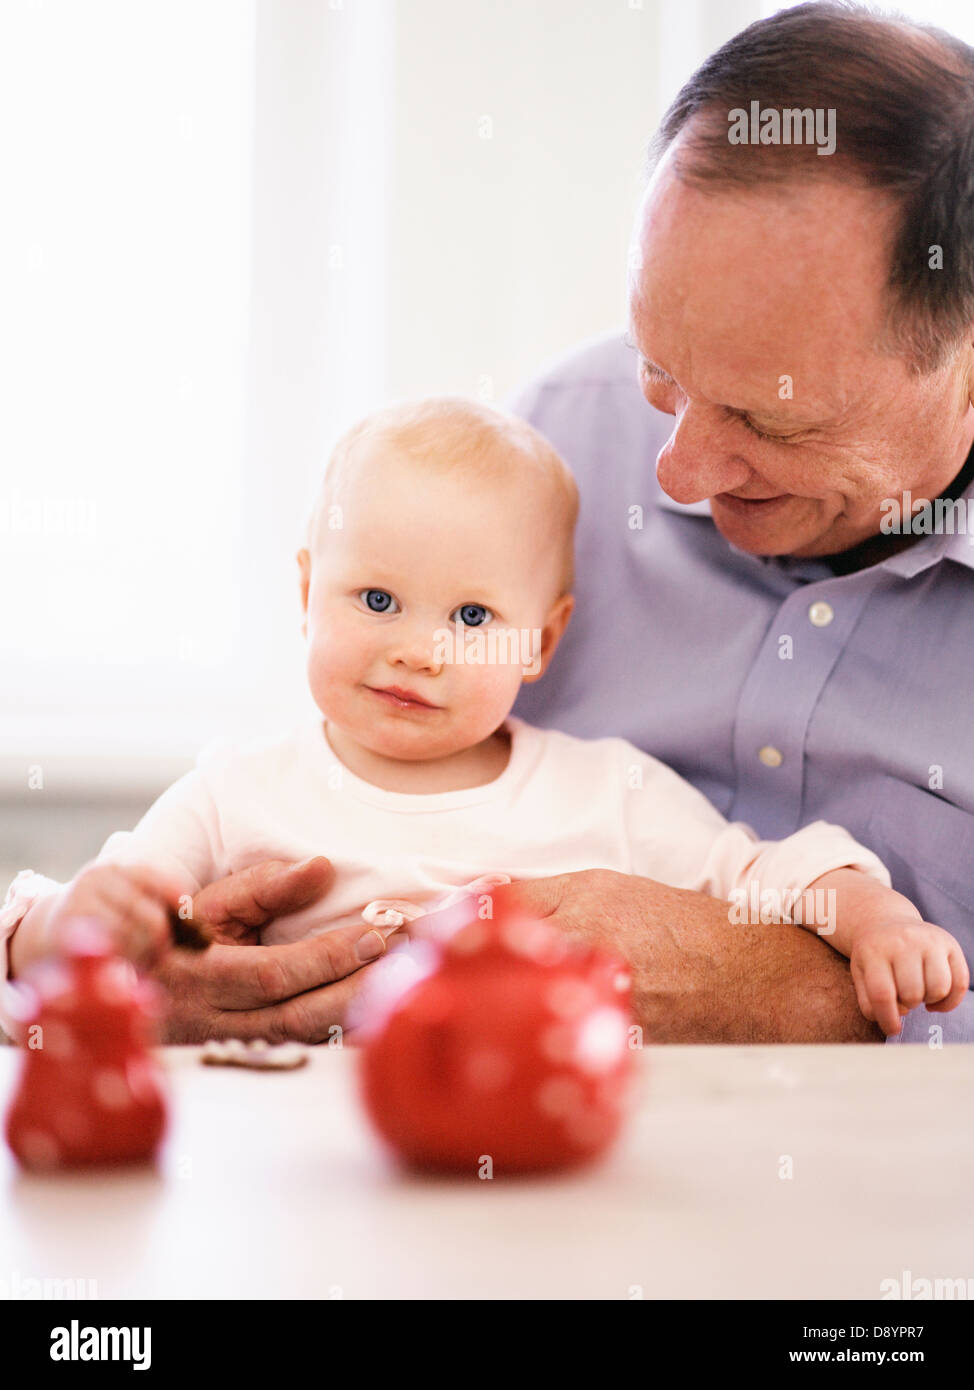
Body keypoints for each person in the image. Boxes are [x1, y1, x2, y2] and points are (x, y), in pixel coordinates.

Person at [2, 396, 966, 1044]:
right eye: (375, 600)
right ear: (306, 593)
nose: (418, 650)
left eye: (471, 619)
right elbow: (110, 920)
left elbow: (769, 876)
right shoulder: (231, 794)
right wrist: (63, 929)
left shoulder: (607, 789)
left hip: (532, 1138)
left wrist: (873, 918)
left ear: (540, 645)